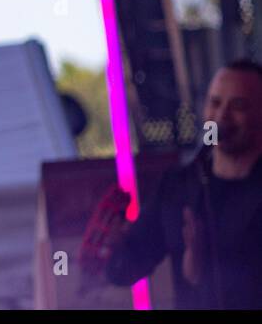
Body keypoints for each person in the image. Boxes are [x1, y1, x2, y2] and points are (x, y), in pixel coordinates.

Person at [102, 60, 262, 309]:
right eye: (215, 102)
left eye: (238, 105)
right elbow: (125, 269)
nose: (221, 116)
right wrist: (113, 245)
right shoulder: (178, 186)